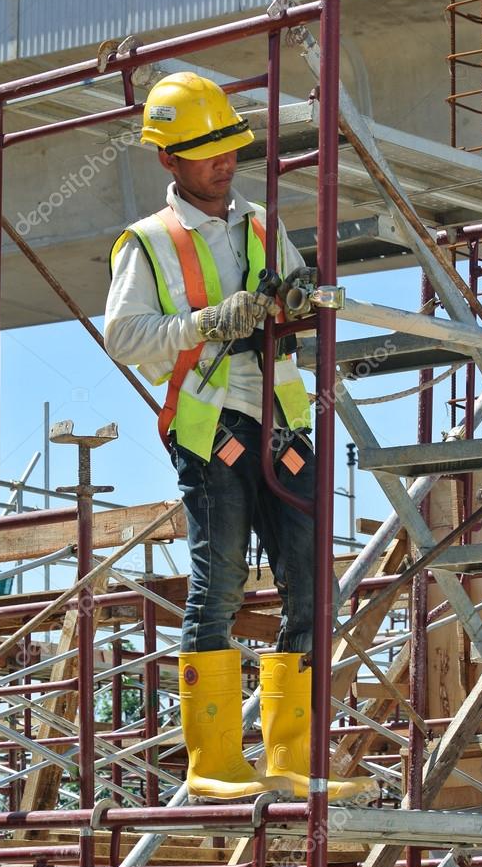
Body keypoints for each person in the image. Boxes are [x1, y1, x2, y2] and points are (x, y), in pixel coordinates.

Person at [105, 72, 377, 804]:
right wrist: (207, 322)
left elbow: (295, 295)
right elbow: (125, 336)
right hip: (211, 425)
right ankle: (215, 760)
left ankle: (293, 757)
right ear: (168, 159)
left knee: (311, 583)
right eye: (203, 150)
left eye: (227, 146)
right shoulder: (149, 243)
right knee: (219, 585)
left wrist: (292, 296)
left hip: (280, 419)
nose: (221, 162)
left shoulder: (260, 223)